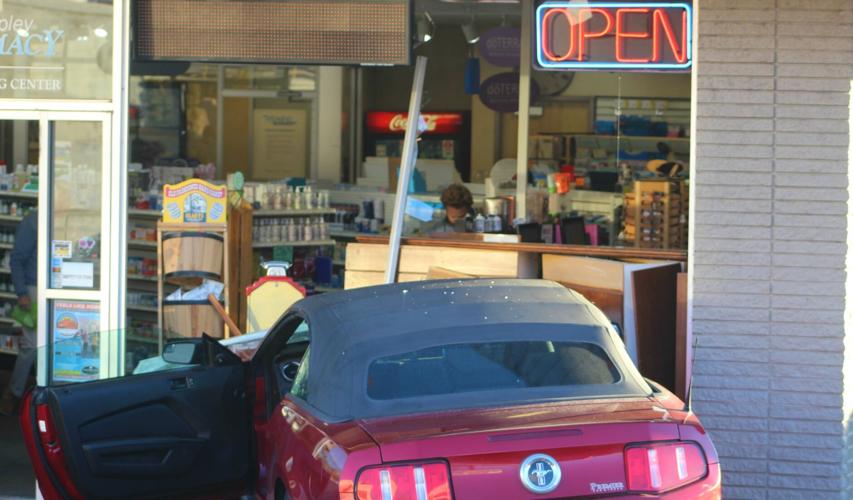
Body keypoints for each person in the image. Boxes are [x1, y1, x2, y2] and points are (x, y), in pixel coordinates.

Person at [0, 210, 37, 415]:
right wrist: (22, 292)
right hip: (34, 290)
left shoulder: (64, 218)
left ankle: (46, 394)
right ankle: (13, 393)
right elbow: (17, 260)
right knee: (30, 346)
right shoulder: (32, 221)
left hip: (59, 289)